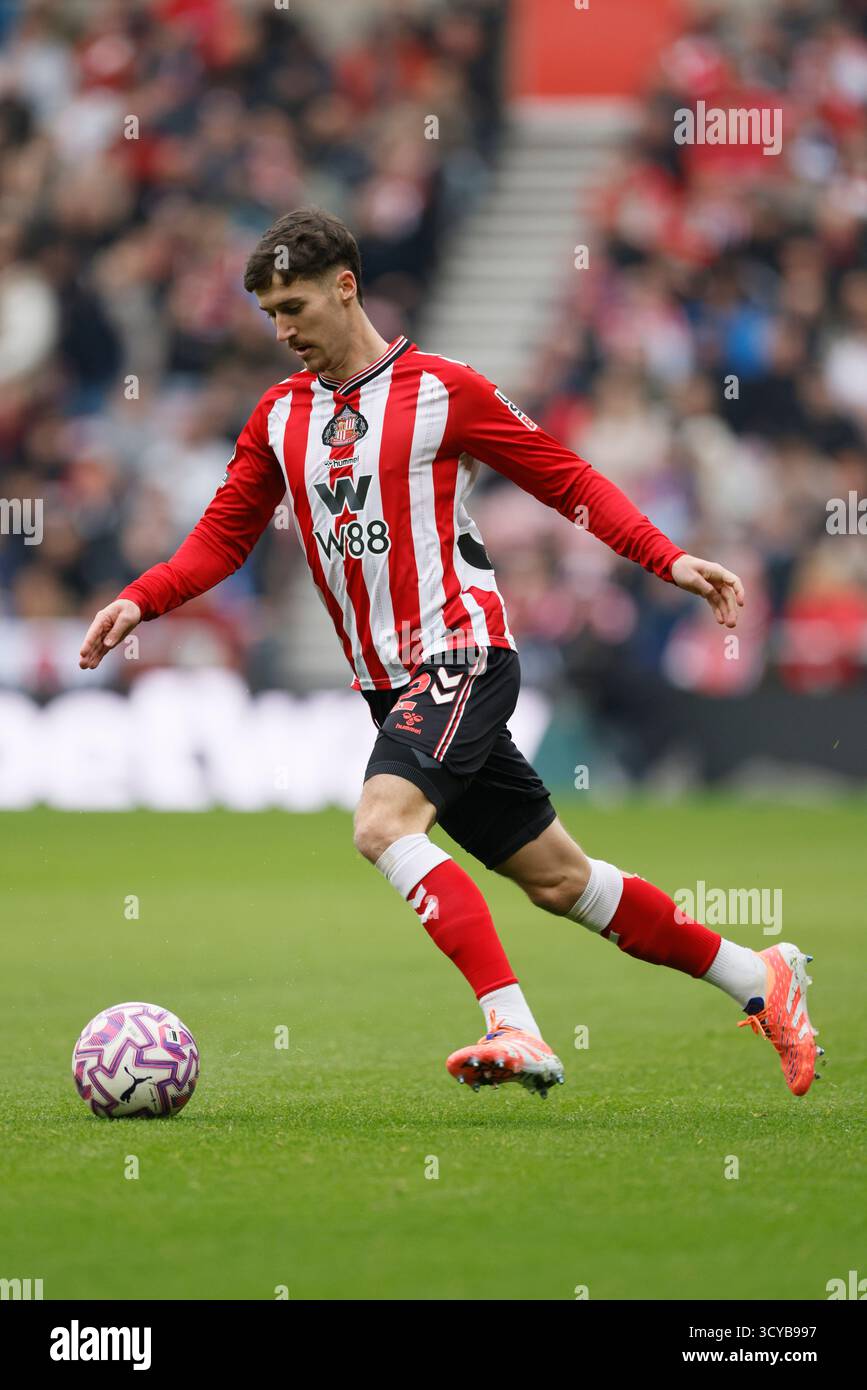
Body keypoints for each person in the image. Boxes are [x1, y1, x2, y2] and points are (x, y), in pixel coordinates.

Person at [80, 208, 822, 1099]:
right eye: (269, 314)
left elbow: (565, 478)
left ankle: (514, 1027)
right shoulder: (278, 418)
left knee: (382, 824)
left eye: (294, 306)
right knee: (559, 880)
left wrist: (667, 557)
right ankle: (759, 975)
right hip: (388, 685)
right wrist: (139, 597)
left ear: (345, 286)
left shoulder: (443, 389)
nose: (282, 331)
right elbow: (222, 539)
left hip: (461, 653)